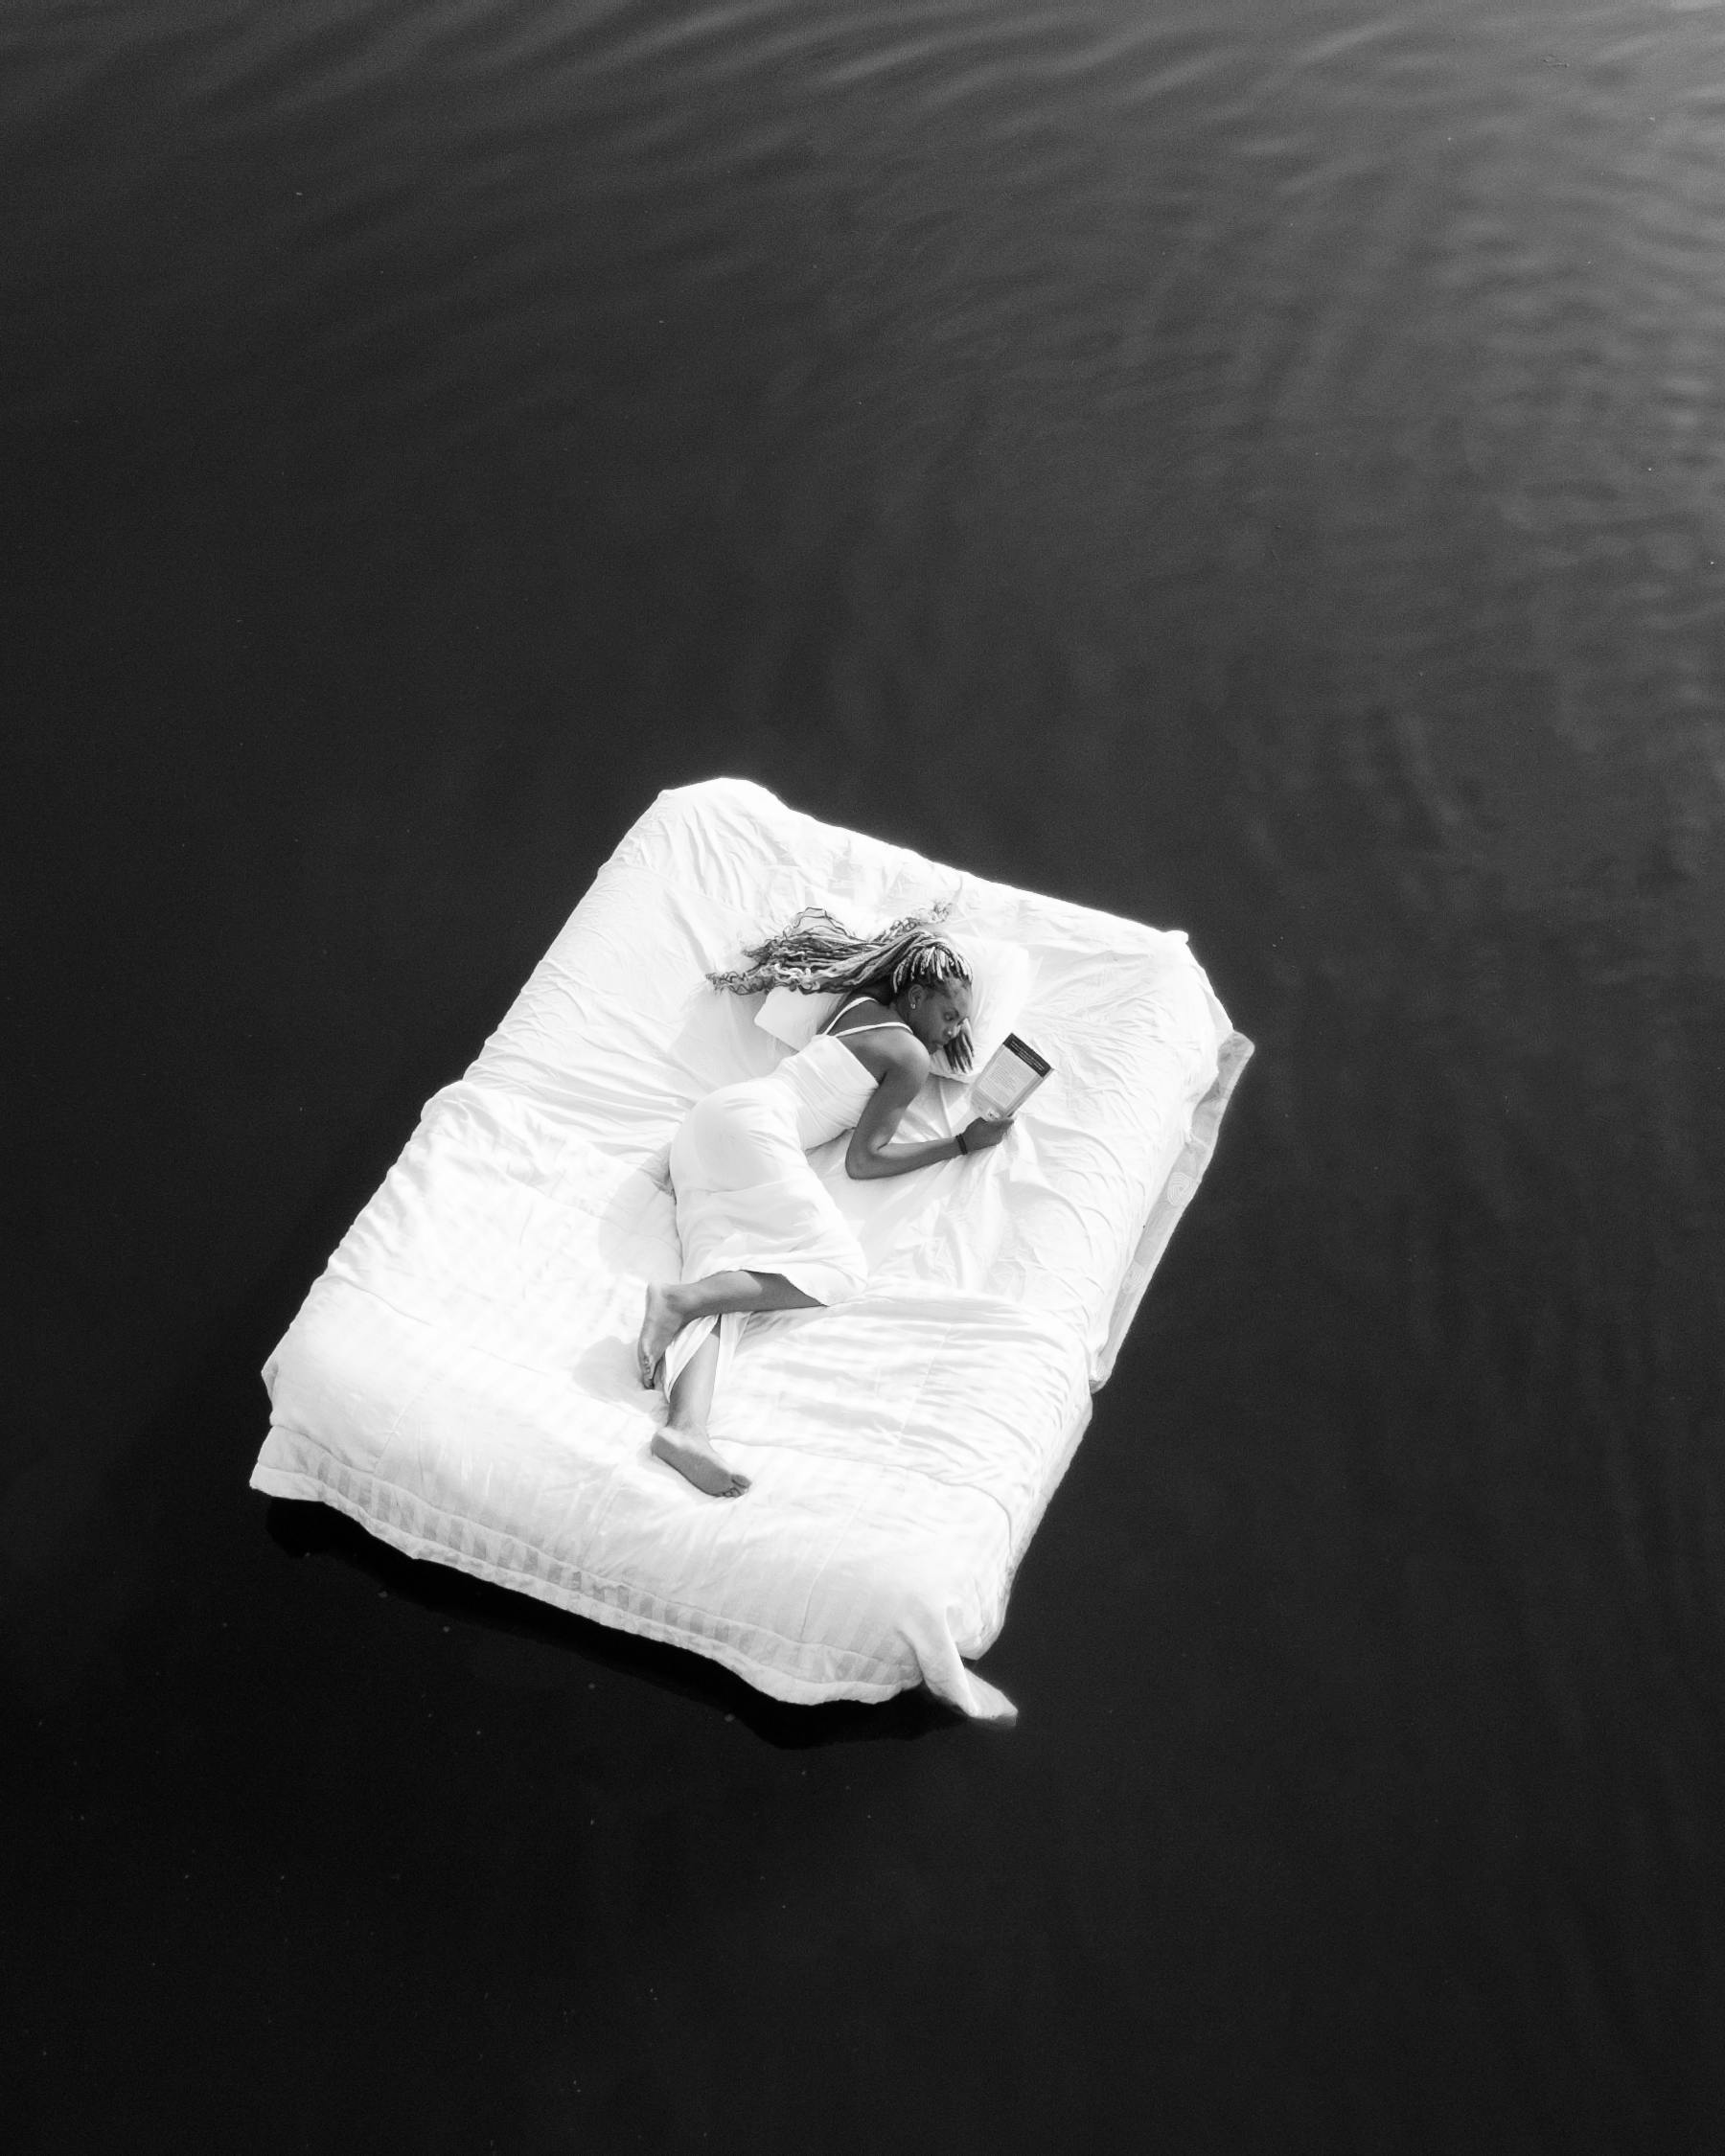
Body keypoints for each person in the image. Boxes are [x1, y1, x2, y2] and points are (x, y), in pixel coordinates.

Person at [637, 906, 1013, 1498]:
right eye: (948, 1014)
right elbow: (865, 1162)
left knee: (727, 1278)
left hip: (705, 1128)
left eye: (962, 1027)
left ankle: (685, 1430)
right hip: (757, 1129)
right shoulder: (910, 1056)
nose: (952, 1034)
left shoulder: (855, 1006)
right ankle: (679, 1300)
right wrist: (964, 1142)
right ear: (914, 995)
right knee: (839, 1269)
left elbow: (889, 958)